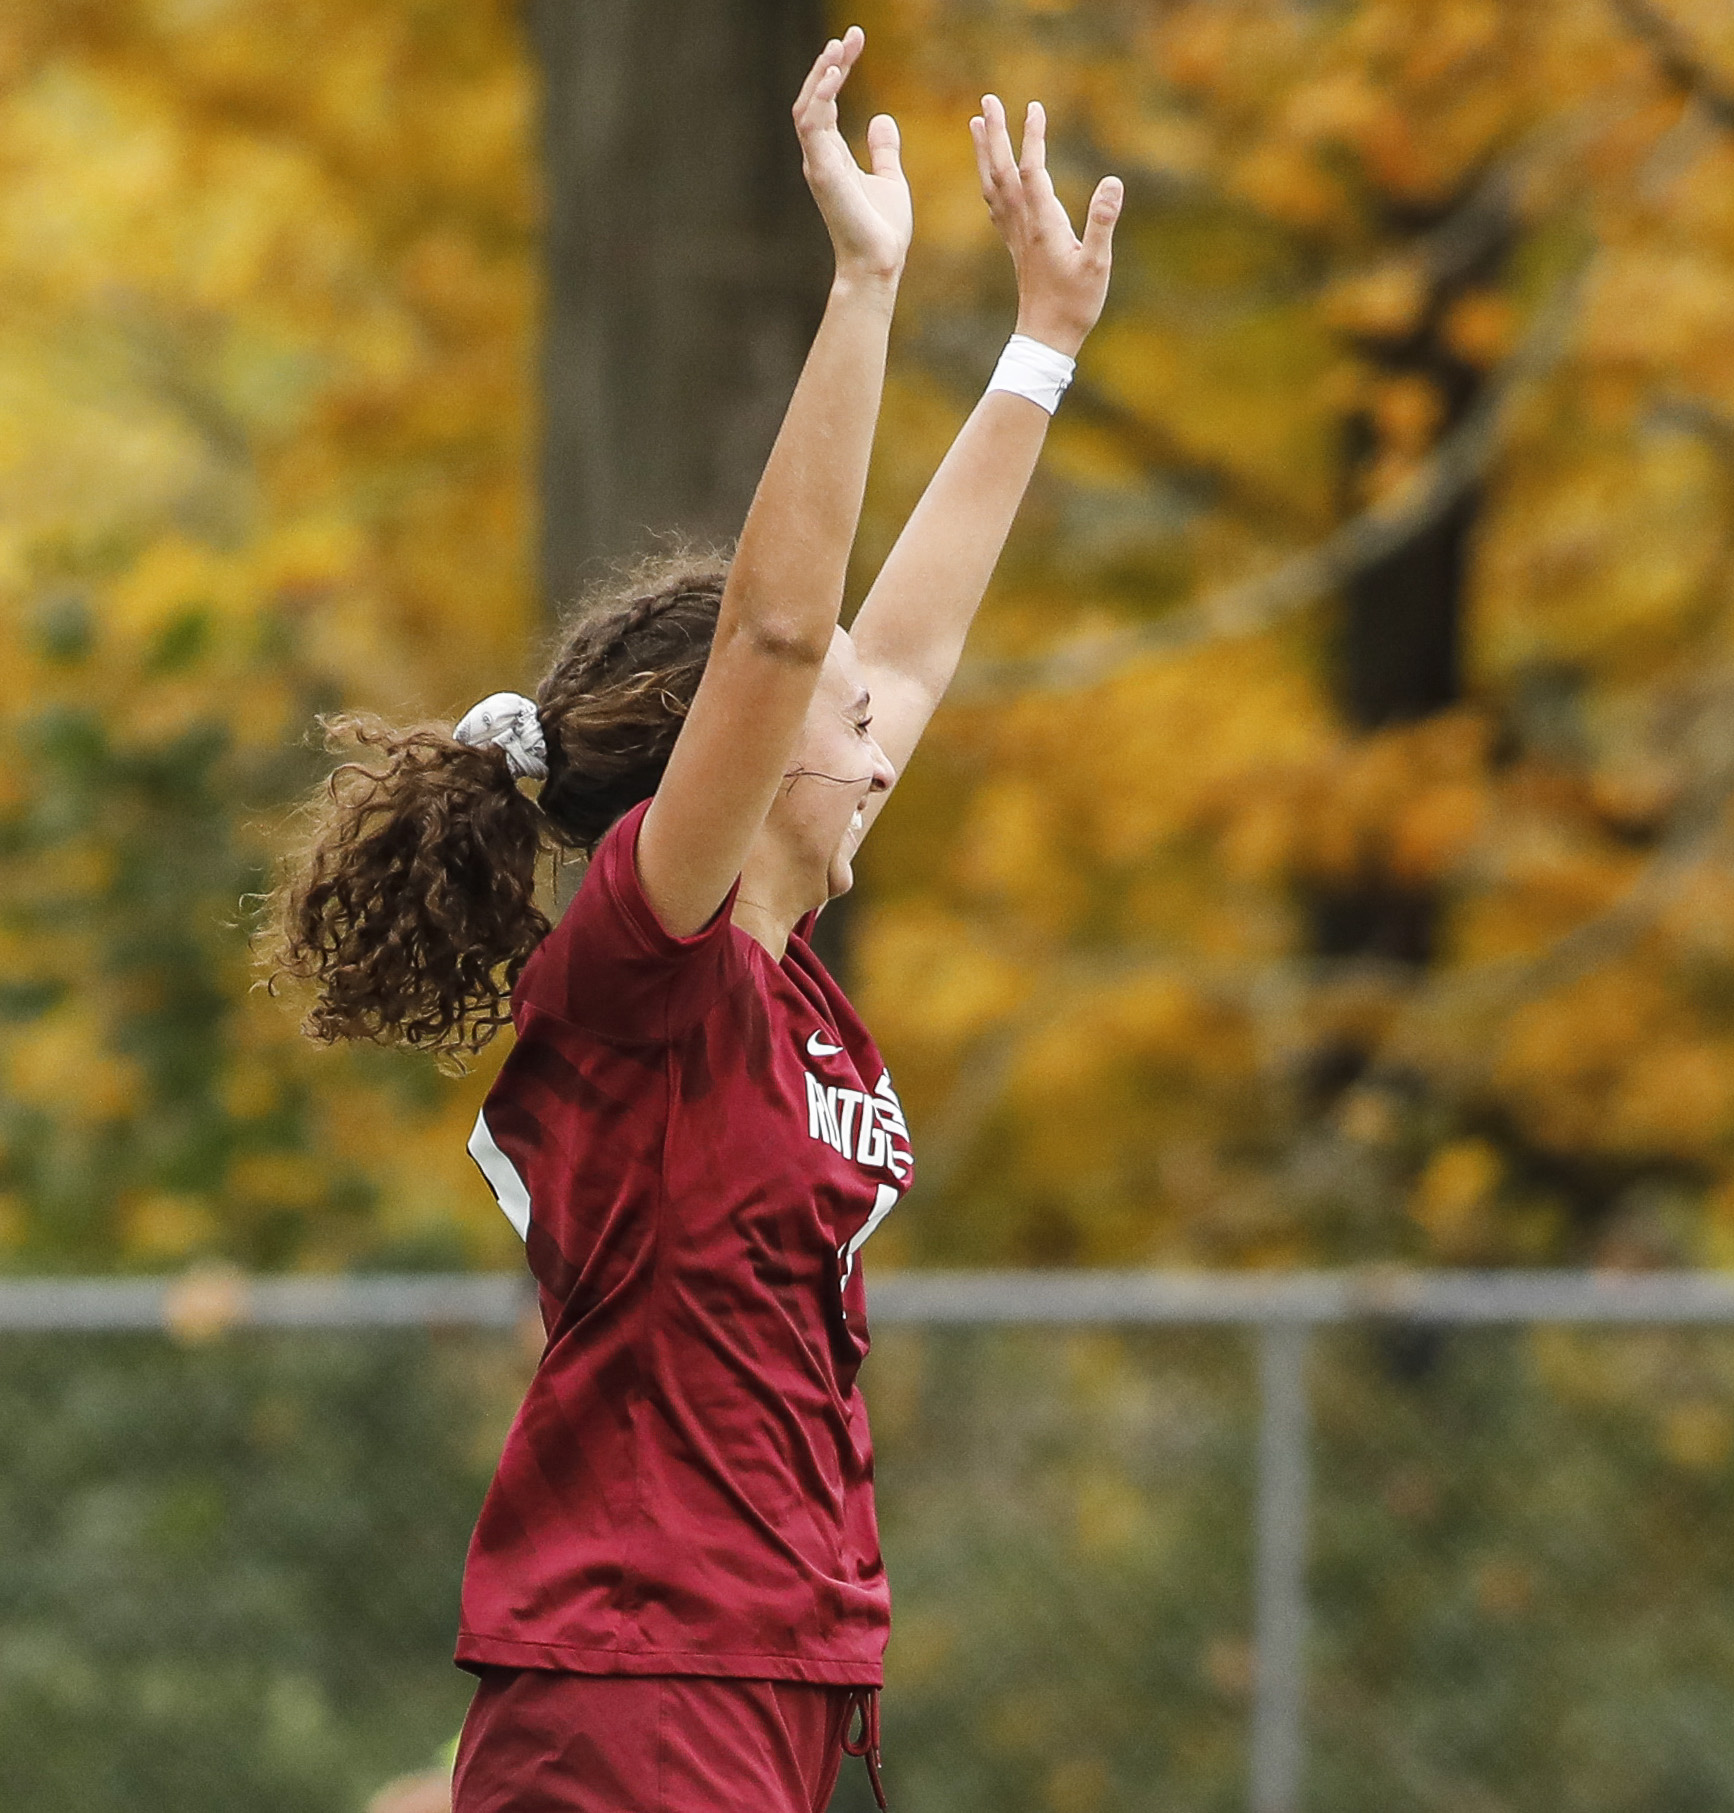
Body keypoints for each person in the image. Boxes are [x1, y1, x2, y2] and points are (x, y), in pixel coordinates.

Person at [260, 28, 1121, 1811]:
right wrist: (868, 285)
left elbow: (895, 646)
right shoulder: (656, 966)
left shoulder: (796, 989)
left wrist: (1040, 350)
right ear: (703, 769)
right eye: (842, 729)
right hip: (639, 1678)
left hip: (773, 1671)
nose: (881, 736)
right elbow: (788, 638)